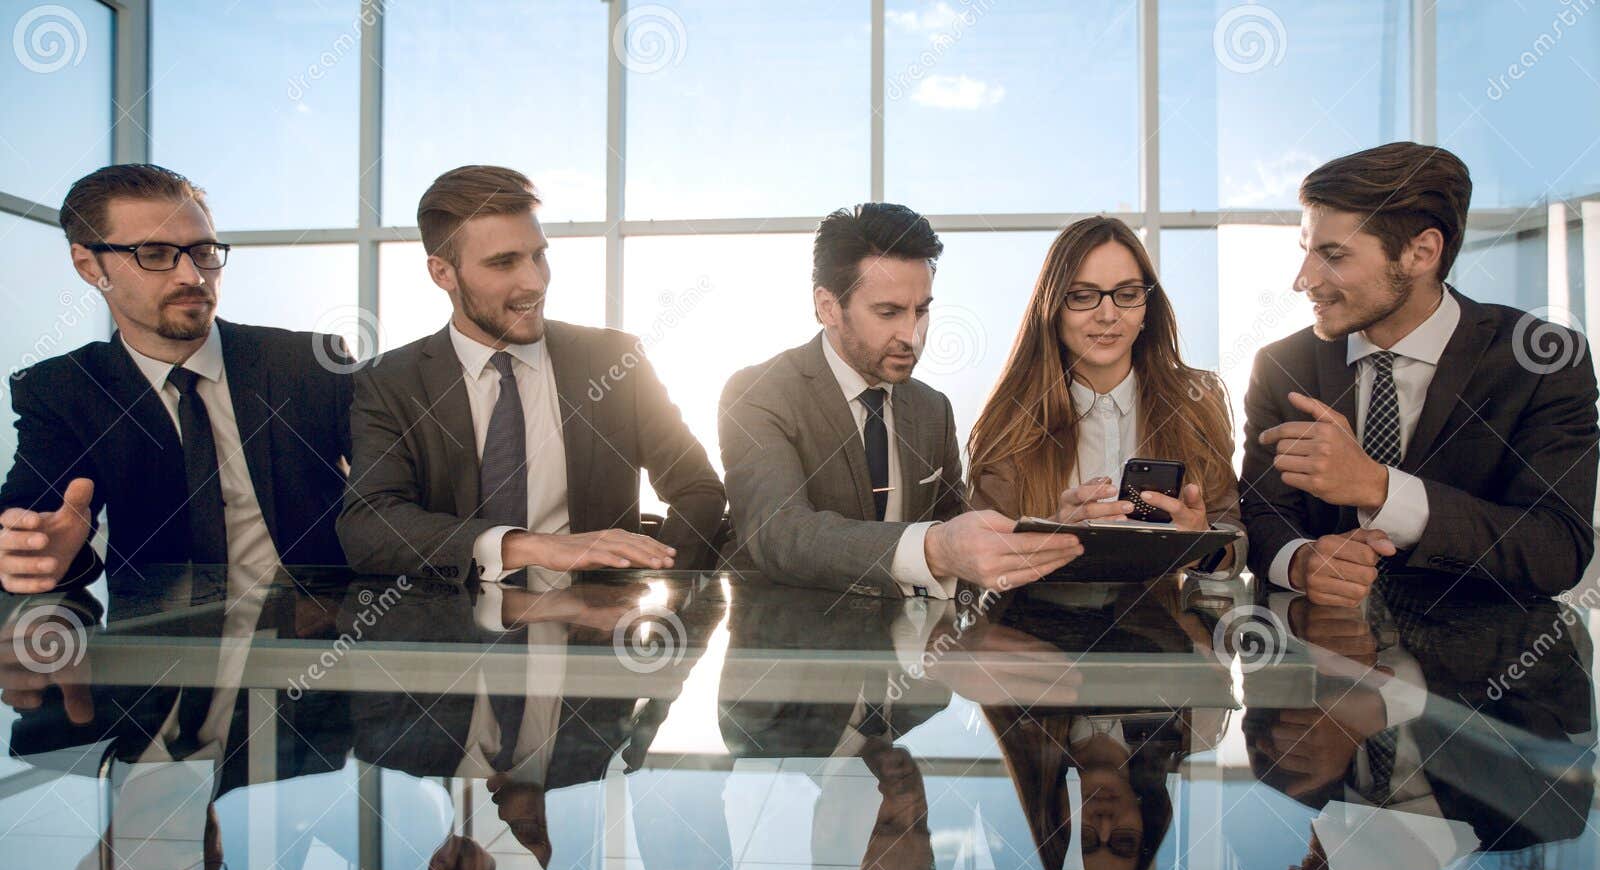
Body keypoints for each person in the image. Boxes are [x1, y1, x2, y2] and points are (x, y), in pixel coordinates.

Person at [1242, 141, 1598, 605]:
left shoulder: (1541, 361)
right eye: (1307, 250)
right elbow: (1264, 515)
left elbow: (1557, 550)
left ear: (1421, 252)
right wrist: (1300, 560)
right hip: (1322, 655)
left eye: (1333, 255)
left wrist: (1378, 487)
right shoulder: (1282, 366)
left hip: (1489, 662)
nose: (1303, 278)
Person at [338, 165, 726, 584]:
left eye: (538, 256)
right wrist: (525, 546)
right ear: (442, 273)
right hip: (452, 634)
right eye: (504, 263)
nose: (534, 282)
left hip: (593, 633)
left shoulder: (615, 360)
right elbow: (369, 524)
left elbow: (697, 489)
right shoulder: (391, 382)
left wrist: (653, 587)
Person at [0, 164, 351, 592]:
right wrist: (33, 552)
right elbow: (33, 515)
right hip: (157, 641)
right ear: (89, 266)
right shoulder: (63, 389)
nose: (193, 276)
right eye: (154, 254)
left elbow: (394, 498)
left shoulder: (311, 364)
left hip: (318, 638)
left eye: (203, 251)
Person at [718, 202, 1083, 597]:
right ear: (829, 308)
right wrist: (933, 548)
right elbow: (781, 535)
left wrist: (1044, 533)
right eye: (888, 312)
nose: (912, 335)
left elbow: (957, 535)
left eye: (921, 310)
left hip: (902, 644)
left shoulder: (933, 410)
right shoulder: (758, 393)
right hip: (781, 641)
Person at [967, 215, 1243, 577]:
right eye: (1083, 297)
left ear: (1147, 309)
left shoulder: (1198, 402)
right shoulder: (1010, 419)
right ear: (1053, 310)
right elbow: (978, 560)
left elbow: (1235, 545)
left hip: (1170, 623)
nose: (1108, 314)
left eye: (1127, 295)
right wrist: (1052, 531)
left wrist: (1198, 544)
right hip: (1035, 626)